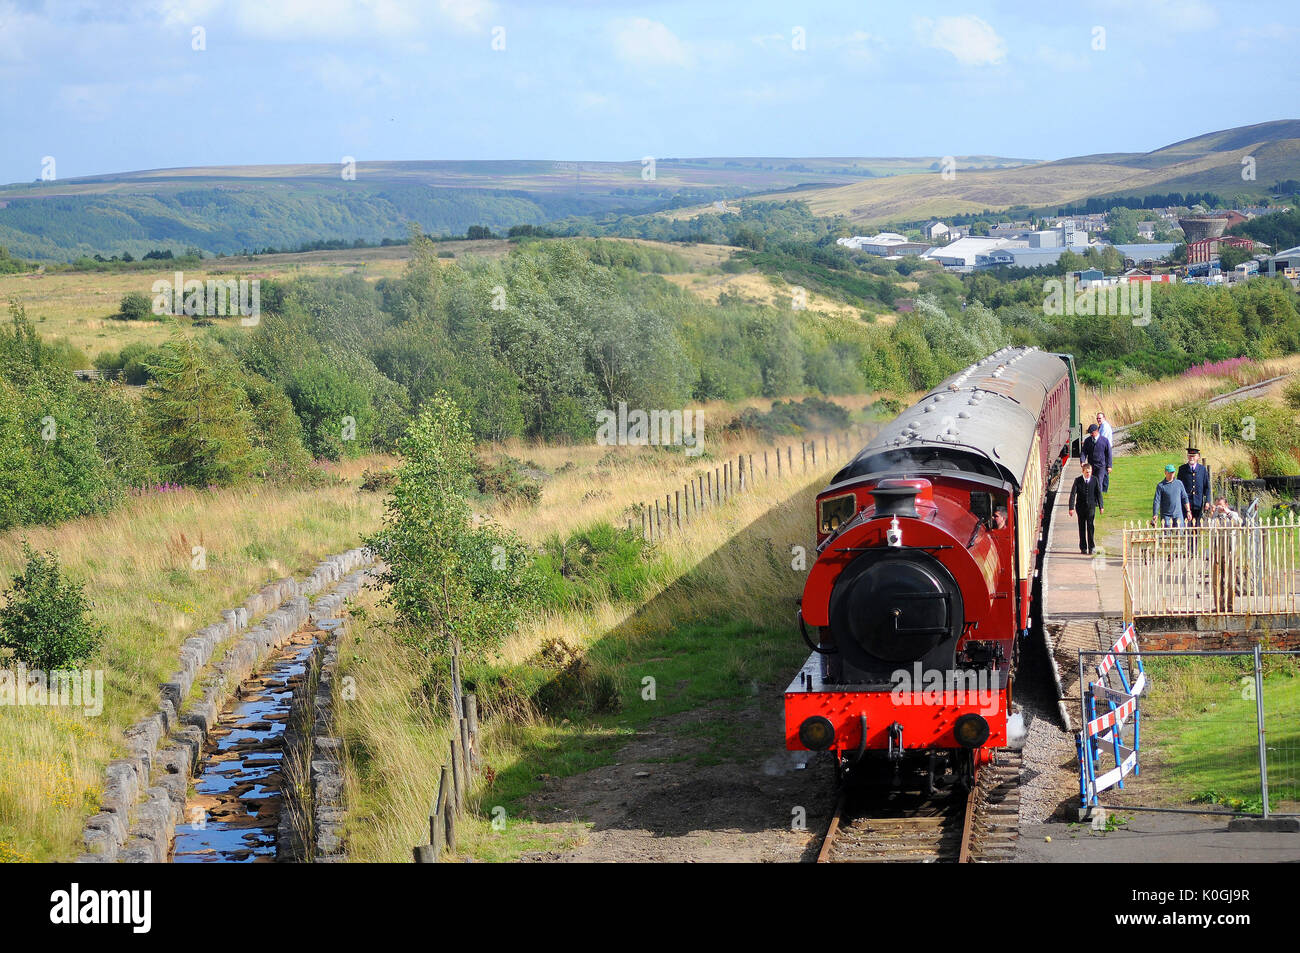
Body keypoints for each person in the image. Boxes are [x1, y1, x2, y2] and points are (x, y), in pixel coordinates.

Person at [1068, 461, 1104, 554]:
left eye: (1090, 472)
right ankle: (1083, 547)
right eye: (1087, 472)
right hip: (1080, 508)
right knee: (1082, 527)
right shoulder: (1078, 480)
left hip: (1091, 507)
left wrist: (1101, 506)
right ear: (1083, 471)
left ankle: (1091, 547)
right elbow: (1073, 494)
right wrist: (1071, 508)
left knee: (1090, 526)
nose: (1089, 474)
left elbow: (1098, 493)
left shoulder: (1095, 480)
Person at [1177, 447, 1211, 524]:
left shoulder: (1202, 469)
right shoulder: (1182, 469)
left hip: (1198, 502)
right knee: (1187, 525)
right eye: (1190, 455)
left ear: (1198, 457)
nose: (1191, 458)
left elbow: (1207, 487)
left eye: (1193, 456)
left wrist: (1207, 501)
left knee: (1197, 525)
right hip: (1186, 503)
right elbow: (1179, 487)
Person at [1081, 423, 1113, 492]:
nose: (1091, 435)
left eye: (1092, 433)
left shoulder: (1104, 441)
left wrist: (1109, 466)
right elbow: (1083, 452)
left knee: (1099, 481)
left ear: (1097, 431)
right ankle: (1091, 496)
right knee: (1091, 481)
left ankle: (1098, 499)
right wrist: (1082, 461)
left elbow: (1109, 454)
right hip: (1091, 465)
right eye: (1090, 433)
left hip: (1101, 466)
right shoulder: (1087, 441)